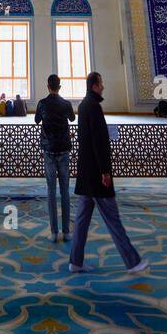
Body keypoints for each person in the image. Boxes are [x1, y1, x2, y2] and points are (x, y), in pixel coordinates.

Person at [69, 72, 147, 275]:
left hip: (85, 172)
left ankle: (75, 261)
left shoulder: (84, 105)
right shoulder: (93, 107)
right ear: (94, 86)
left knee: (82, 220)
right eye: (101, 83)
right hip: (96, 174)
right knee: (113, 219)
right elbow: (98, 142)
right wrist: (105, 171)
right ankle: (133, 262)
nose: (103, 87)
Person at [34, 74, 76, 242]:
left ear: (47, 86)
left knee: (51, 191)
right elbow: (72, 118)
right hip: (64, 150)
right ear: (60, 87)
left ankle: (53, 232)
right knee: (65, 191)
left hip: (49, 150)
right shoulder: (66, 104)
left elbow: (37, 120)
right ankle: (66, 232)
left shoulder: (42, 104)